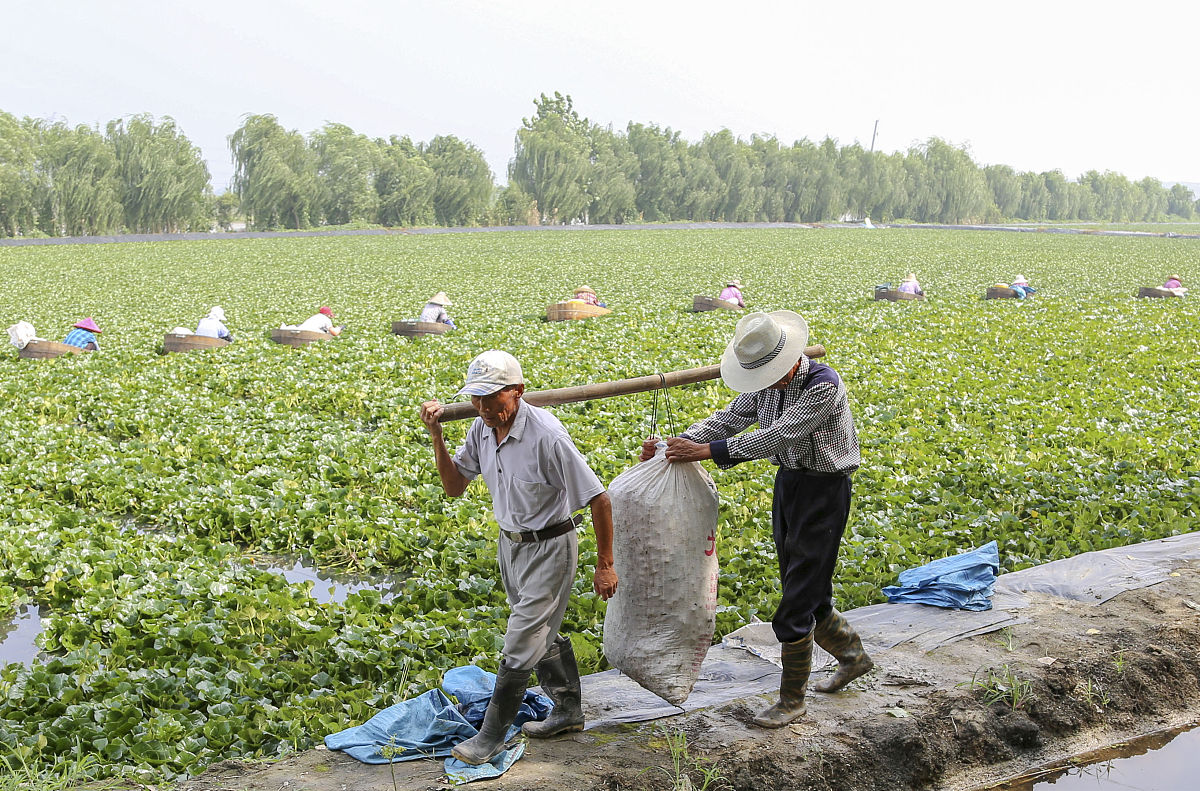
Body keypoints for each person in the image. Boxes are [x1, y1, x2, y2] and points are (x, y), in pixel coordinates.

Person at [639, 311, 872, 729]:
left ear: (789, 359)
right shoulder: (763, 386)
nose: (769, 380)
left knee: (796, 601)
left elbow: (780, 434)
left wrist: (710, 452)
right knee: (806, 587)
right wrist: (677, 445)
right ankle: (854, 657)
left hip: (824, 490)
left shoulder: (824, 386)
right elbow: (726, 420)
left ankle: (792, 700)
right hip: (790, 486)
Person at [419, 351, 617, 765]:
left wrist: (605, 564)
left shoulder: (547, 435)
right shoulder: (480, 428)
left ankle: (490, 736)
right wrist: (437, 436)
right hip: (511, 543)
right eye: (477, 398)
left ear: (518, 391)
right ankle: (567, 711)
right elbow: (455, 486)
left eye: (493, 398)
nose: (485, 407)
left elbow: (598, 498)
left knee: (520, 640)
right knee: (538, 630)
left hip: (551, 546)